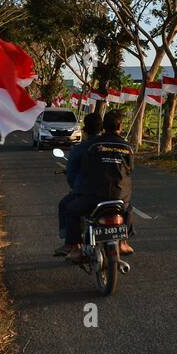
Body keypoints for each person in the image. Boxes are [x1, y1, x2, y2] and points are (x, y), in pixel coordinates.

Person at [60, 109, 135, 262]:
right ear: (120, 127)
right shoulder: (127, 147)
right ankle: (123, 242)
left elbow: (85, 171)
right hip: (120, 197)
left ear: (104, 127)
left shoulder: (93, 146)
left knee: (71, 210)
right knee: (128, 208)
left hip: (93, 197)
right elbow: (130, 169)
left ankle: (75, 247)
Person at [54, 112, 101, 257]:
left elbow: (72, 175)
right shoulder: (110, 146)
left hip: (87, 194)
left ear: (85, 130)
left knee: (67, 206)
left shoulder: (80, 149)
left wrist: (76, 188)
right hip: (115, 193)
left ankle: (72, 244)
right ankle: (122, 242)